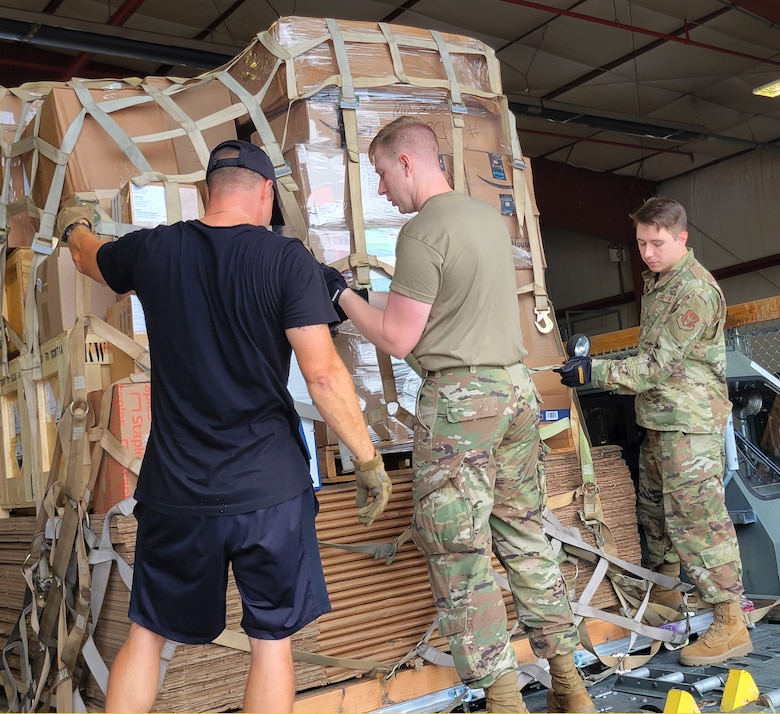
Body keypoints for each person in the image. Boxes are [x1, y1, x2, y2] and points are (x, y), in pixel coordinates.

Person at [55, 139, 392, 713]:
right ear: (264, 194)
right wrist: (367, 461)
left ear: (208, 192)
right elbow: (326, 376)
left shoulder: (154, 250)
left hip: (177, 487)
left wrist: (74, 227)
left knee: (149, 631)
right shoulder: (287, 262)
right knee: (271, 643)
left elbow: (90, 257)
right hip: (270, 489)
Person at [322, 116, 594, 713]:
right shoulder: (484, 221)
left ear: (409, 162)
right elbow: (439, 307)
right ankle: (570, 687)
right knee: (525, 538)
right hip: (516, 393)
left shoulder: (421, 234)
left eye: (383, 173)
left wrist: (338, 296)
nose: (383, 190)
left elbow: (397, 337)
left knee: (459, 550)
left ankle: (504, 701)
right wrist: (363, 295)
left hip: (462, 406)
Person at [556, 196, 752, 666]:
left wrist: (593, 374)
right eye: (641, 242)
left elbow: (655, 367)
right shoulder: (659, 283)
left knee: (697, 522)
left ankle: (730, 621)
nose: (647, 252)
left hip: (689, 426)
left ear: (682, 238)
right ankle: (669, 595)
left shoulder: (694, 292)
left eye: (657, 242)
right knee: (655, 513)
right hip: (661, 421)